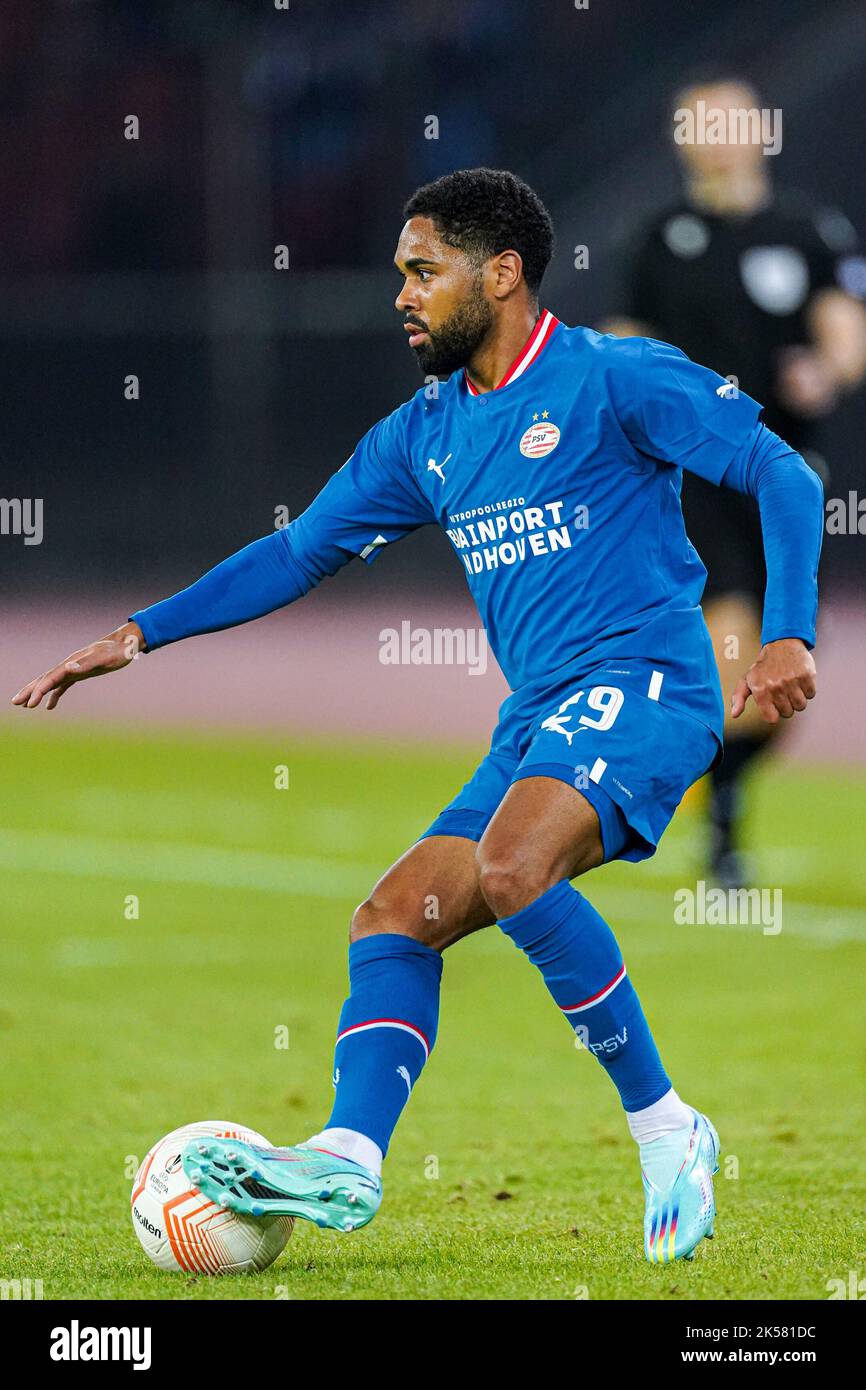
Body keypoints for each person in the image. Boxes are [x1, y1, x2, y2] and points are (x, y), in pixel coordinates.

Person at [12, 167, 824, 1264]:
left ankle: (665, 1125)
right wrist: (144, 630)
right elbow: (299, 551)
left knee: (510, 866)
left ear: (500, 275)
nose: (400, 294)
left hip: (646, 685)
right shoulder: (422, 434)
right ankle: (349, 1152)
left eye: (421, 271)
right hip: (539, 717)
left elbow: (776, 473)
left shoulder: (613, 378)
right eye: (399, 273)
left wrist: (785, 632)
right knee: (391, 916)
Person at [602, 75, 866, 887]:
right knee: (730, 646)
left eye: (729, 122)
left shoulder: (809, 230)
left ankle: (709, 796)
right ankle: (710, 828)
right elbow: (621, 347)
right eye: (698, 123)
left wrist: (825, 372)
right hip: (692, 482)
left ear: (762, 131)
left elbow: (845, 339)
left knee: (788, 675)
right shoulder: (657, 237)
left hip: (785, 478)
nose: (714, 136)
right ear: (681, 138)